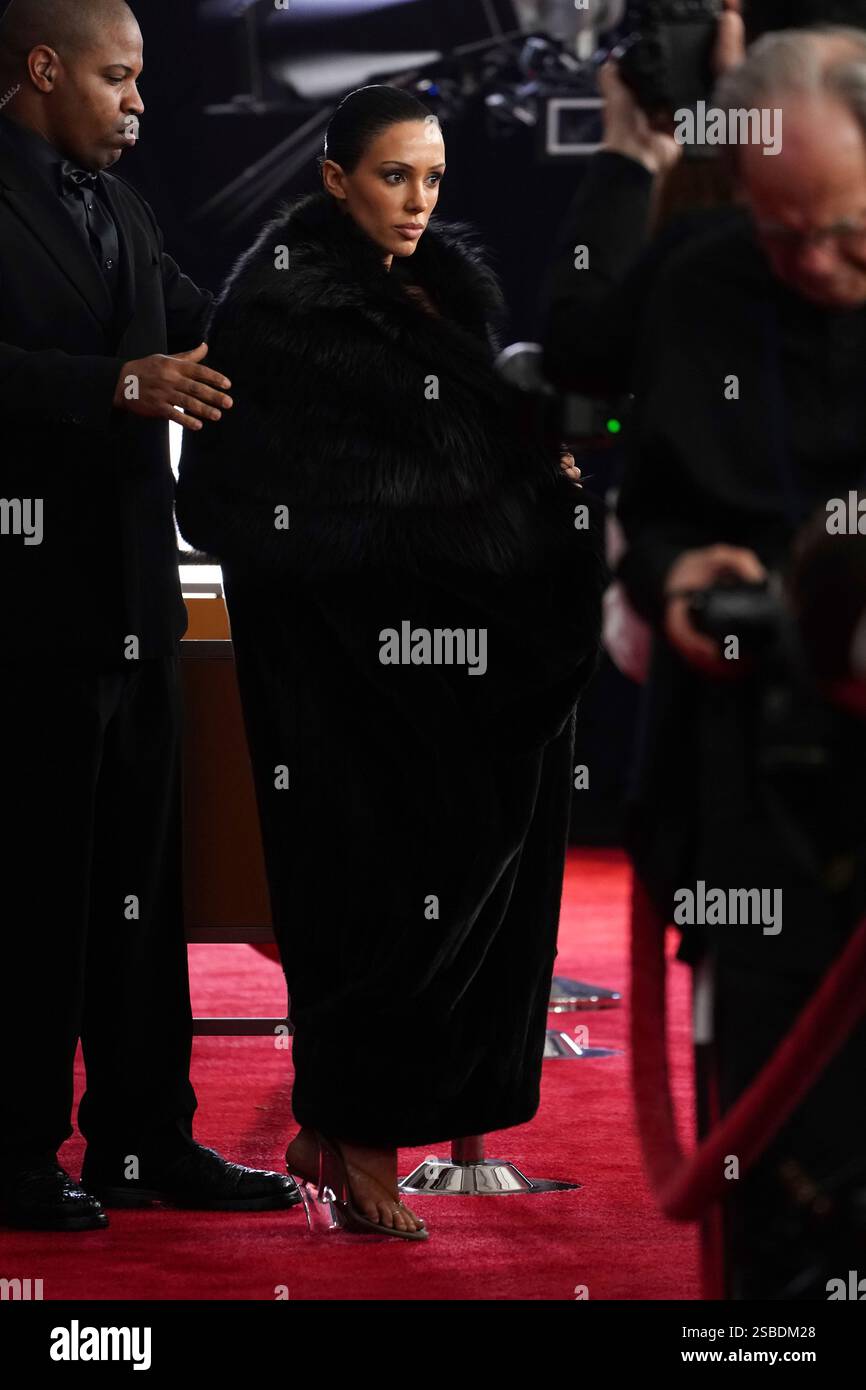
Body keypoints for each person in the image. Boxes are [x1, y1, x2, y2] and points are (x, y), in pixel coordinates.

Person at [176, 84, 605, 1241]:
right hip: (346, 674)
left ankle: (349, 1126)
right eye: (391, 177)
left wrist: (535, 475)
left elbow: (462, 451)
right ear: (333, 179)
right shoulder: (281, 307)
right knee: (368, 899)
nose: (417, 202)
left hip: (454, 656)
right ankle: (356, 1137)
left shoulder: (441, 286)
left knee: (459, 893)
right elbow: (240, 497)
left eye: (431, 177)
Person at [0, 0, 297, 1231]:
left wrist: (339, 301)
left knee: (140, 894)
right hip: (22, 620)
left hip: (136, 616)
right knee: (29, 898)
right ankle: (15, 1157)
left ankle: (146, 1138)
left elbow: (206, 320)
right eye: (117, 79)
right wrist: (113, 384)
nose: (137, 103)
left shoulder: (119, 206)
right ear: (41, 67)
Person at [615, 28, 866, 1295]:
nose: (814, 266)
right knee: (773, 1177)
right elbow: (645, 516)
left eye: (848, 236)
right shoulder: (697, 281)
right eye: (781, 234)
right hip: (750, 807)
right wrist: (670, 585)